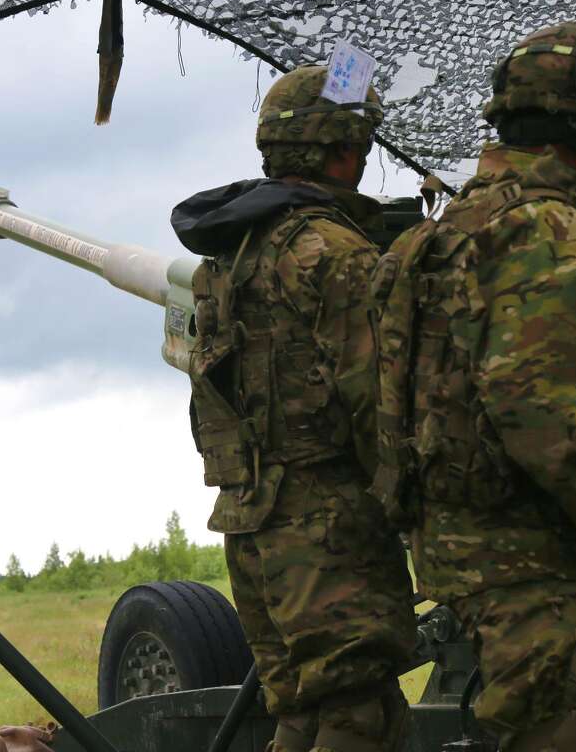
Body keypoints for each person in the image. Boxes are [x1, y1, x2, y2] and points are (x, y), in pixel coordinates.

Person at [374, 21, 576, 751]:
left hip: (475, 559)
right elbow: (566, 432)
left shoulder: (432, 238)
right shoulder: (540, 231)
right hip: (541, 564)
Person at [170, 65, 416, 752]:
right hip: (328, 526)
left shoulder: (229, 257)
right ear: (344, 150)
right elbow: (380, 400)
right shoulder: (333, 253)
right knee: (356, 713)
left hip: (252, 520)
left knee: (303, 715)